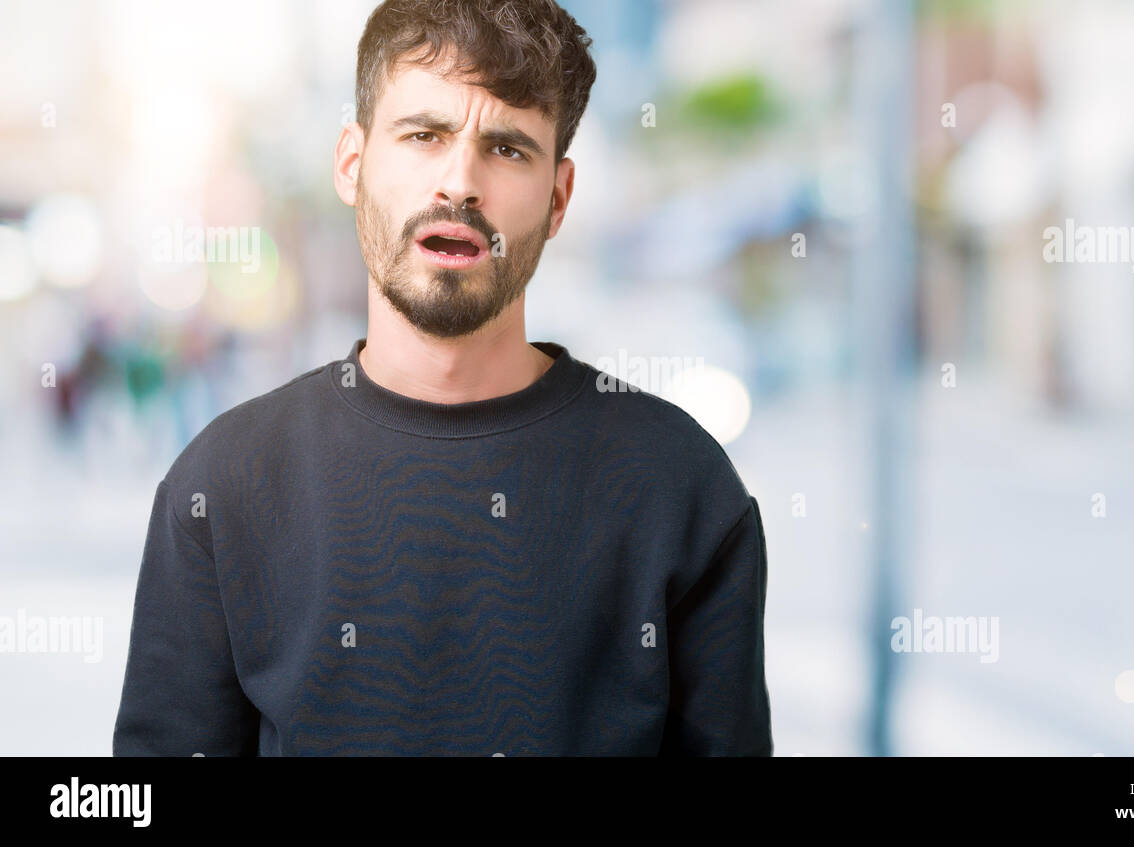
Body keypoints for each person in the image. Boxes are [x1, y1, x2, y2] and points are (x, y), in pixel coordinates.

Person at [112, 0, 772, 756]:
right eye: (424, 135)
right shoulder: (222, 485)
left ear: (558, 199)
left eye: (508, 149)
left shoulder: (683, 487)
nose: (459, 182)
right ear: (352, 164)